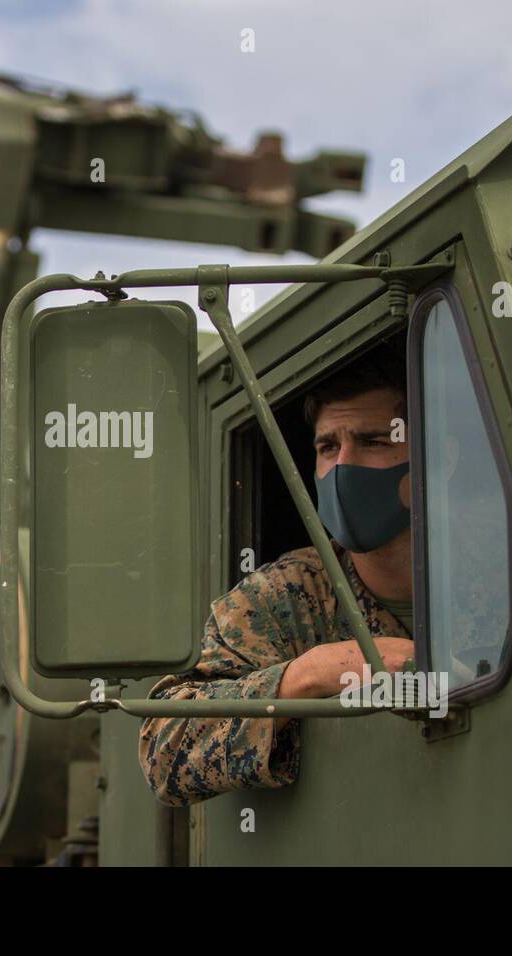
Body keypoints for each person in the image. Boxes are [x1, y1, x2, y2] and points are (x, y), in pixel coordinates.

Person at [139, 338, 416, 806]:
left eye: (373, 441)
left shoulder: (501, 571)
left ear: (438, 453)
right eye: (328, 447)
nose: (343, 468)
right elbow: (164, 750)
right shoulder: (282, 595)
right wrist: (307, 676)